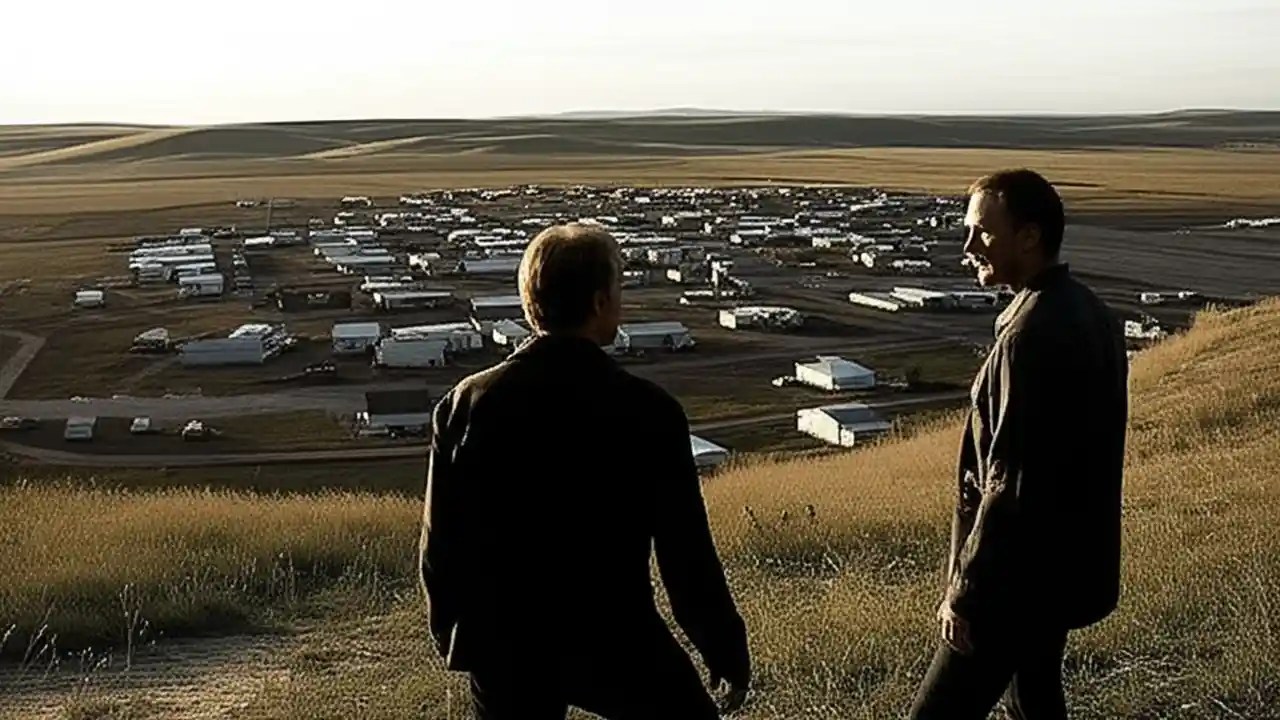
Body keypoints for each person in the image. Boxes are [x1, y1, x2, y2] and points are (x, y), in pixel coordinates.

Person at [420, 222, 751, 719]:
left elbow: (440, 540)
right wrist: (724, 650)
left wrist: (454, 632)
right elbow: (686, 556)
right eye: (618, 289)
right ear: (599, 302)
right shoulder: (648, 410)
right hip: (615, 635)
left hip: (504, 639)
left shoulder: (465, 404)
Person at [908, 169, 1129, 719]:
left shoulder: (1030, 335)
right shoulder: (1089, 312)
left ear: (1029, 237)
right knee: (1033, 703)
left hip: (1012, 582)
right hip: (1059, 570)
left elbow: (1009, 483)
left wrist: (964, 591)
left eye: (983, 232)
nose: (968, 246)